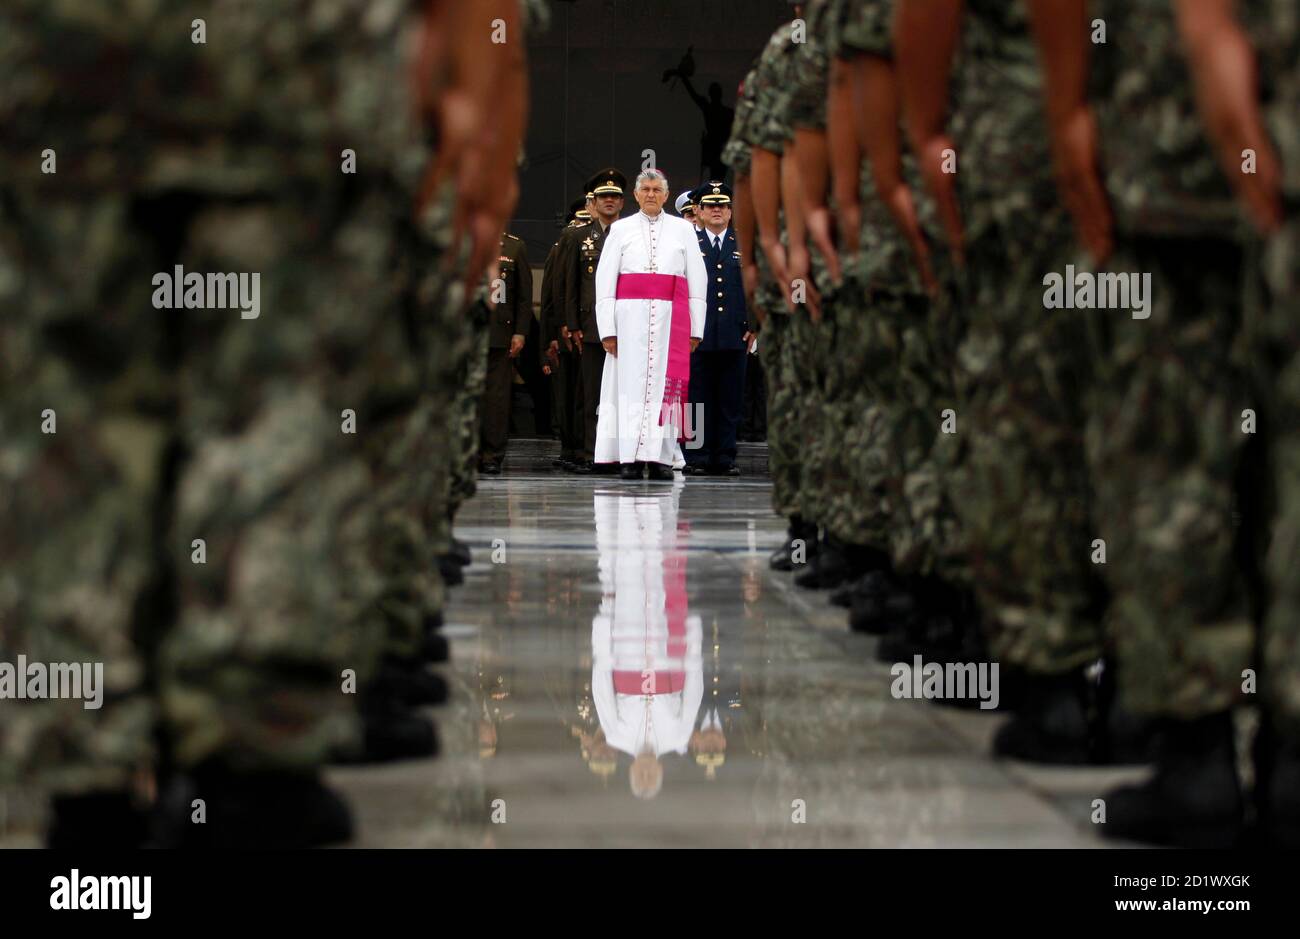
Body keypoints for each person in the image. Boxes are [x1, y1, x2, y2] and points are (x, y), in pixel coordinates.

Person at [593, 169, 707, 480]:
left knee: (665, 389)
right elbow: (605, 282)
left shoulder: (684, 230)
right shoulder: (620, 230)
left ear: (667, 195)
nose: (652, 194)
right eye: (646, 189)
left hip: (672, 321)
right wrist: (608, 330)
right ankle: (629, 458)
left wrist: (696, 330)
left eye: (657, 189)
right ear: (636, 194)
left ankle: (659, 458)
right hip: (629, 321)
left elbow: (698, 281)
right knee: (629, 388)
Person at [684, 182, 752, 476]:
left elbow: (756, 288)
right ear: (697, 211)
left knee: (729, 398)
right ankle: (696, 455)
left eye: (722, 205)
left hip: (733, 333)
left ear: (730, 211)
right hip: (695, 335)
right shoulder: (687, 242)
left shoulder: (744, 244)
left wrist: (756, 325)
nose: (716, 210)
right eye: (710, 205)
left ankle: (725, 455)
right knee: (696, 398)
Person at [564, 170, 627, 473]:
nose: (609, 201)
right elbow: (571, 286)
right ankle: (592, 453)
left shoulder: (632, 234)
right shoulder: (578, 236)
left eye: (614, 196)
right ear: (594, 201)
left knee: (622, 393)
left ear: (622, 201)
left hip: (627, 326)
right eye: (604, 196)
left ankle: (621, 451)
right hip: (591, 327)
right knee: (591, 394)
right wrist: (572, 324)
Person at [478, 233, 533, 474]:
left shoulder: (514, 246)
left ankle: (492, 454)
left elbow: (523, 296)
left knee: (497, 398)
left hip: (499, 333)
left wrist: (520, 332)